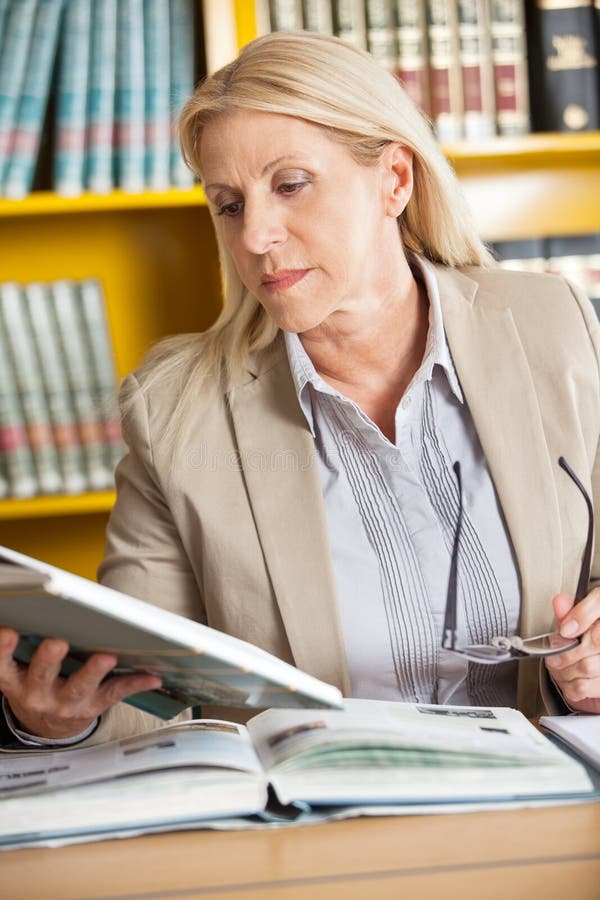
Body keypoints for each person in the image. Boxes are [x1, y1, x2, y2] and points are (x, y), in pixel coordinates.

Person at [1, 31, 599, 749]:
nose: (254, 235)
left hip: (553, 811)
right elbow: (136, 692)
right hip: (318, 832)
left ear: (395, 180)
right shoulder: (176, 411)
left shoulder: (553, 326)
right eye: (228, 204)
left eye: (290, 185)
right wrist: (60, 717)